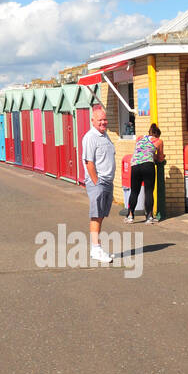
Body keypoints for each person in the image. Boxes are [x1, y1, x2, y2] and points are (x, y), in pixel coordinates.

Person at [81, 104, 116, 264]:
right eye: (100, 120)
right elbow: (89, 162)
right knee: (96, 215)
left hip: (107, 181)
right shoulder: (90, 137)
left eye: (105, 119)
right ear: (92, 121)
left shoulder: (105, 136)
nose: (103, 122)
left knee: (101, 215)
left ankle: (97, 247)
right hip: (99, 182)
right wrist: (97, 183)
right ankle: (95, 249)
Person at [127, 123, 163, 223]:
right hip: (148, 166)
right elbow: (160, 158)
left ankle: (130, 216)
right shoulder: (159, 141)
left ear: (149, 132)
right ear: (158, 135)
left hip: (135, 165)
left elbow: (140, 151)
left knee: (134, 191)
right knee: (148, 191)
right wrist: (157, 156)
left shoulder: (139, 138)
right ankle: (149, 217)